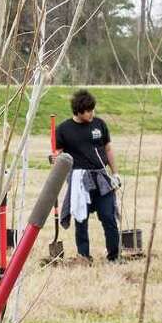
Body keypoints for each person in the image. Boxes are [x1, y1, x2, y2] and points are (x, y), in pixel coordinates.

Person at [52, 89, 120, 262]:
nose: (92, 113)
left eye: (93, 110)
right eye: (88, 111)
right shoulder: (64, 129)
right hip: (79, 180)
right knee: (81, 219)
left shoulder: (99, 125)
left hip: (101, 178)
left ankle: (114, 256)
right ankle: (84, 256)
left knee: (108, 216)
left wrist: (116, 173)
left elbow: (108, 149)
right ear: (78, 111)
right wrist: (54, 158)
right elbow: (58, 155)